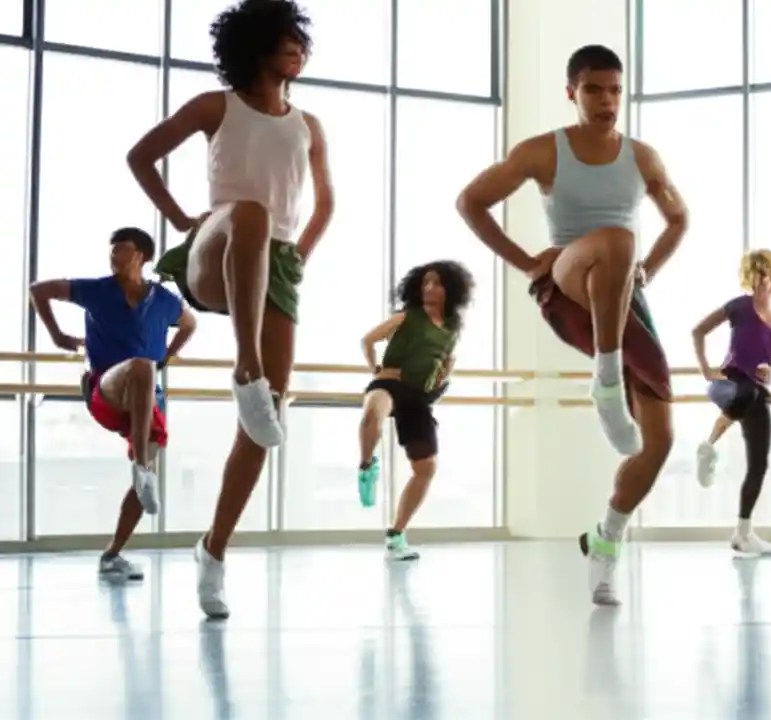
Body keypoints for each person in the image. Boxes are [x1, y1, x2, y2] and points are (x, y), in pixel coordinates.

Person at [456, 44, 687, 605]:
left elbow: (679, 218)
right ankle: (605, 379)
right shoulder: (544, 151)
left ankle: (604, 542)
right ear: (572, 93)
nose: (606, 101)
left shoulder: (644, 157)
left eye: (614, 90)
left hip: (622, 295)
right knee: (618, 239)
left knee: (659, 441)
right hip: (564, 277)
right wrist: (524, 260)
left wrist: (649, 272)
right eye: (593, 90)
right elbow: (471, 202)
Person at [126, 0, 334, 619]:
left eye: (302, 41)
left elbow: (325, 204)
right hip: (213, 251)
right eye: (285, 40)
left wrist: (298, 257)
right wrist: (177, 218)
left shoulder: (309, 125)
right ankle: (246, 368)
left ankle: (213, 551)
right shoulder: (217, 105)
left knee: (265, 423)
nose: (297, 49)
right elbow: (141, 156)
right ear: (254, 46)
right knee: (250, 214)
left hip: (273, 264)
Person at [29, 227, 197, 580]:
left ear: (142, 256)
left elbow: (190, 322)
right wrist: (58, 336)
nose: (113, 255)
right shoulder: (95, 290)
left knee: (145, 481)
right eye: (112, 250)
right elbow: (39, 291)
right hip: (106, 387)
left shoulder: (164, 300)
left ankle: (112, 555)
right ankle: (140, 464)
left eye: (121, 249)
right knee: (140, 366)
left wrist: (168, 355)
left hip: (147, 398)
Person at [356, 261, 474, 561]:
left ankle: (396, 535)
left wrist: (444, 375)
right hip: (389, 383)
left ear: (451, 290)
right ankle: (367, 466)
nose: (429, 288)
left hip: (418, 398)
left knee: (426, 469)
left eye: (436, 283)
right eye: (425, 283)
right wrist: (377, 370)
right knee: (373, 414)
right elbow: (368, 340)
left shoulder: (451, 329)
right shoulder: (408, 316)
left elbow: (445, 361)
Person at [691, 249, 771, 556]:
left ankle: (743, 532)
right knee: (748, 392)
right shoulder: (739, 307)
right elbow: (698, 330)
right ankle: (708, 445)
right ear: (750, 278)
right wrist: (705, 368)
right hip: (729, 384)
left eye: (768, 274)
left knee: (759, 464)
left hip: (757, 391)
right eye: (758, 275)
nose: (764, 281)